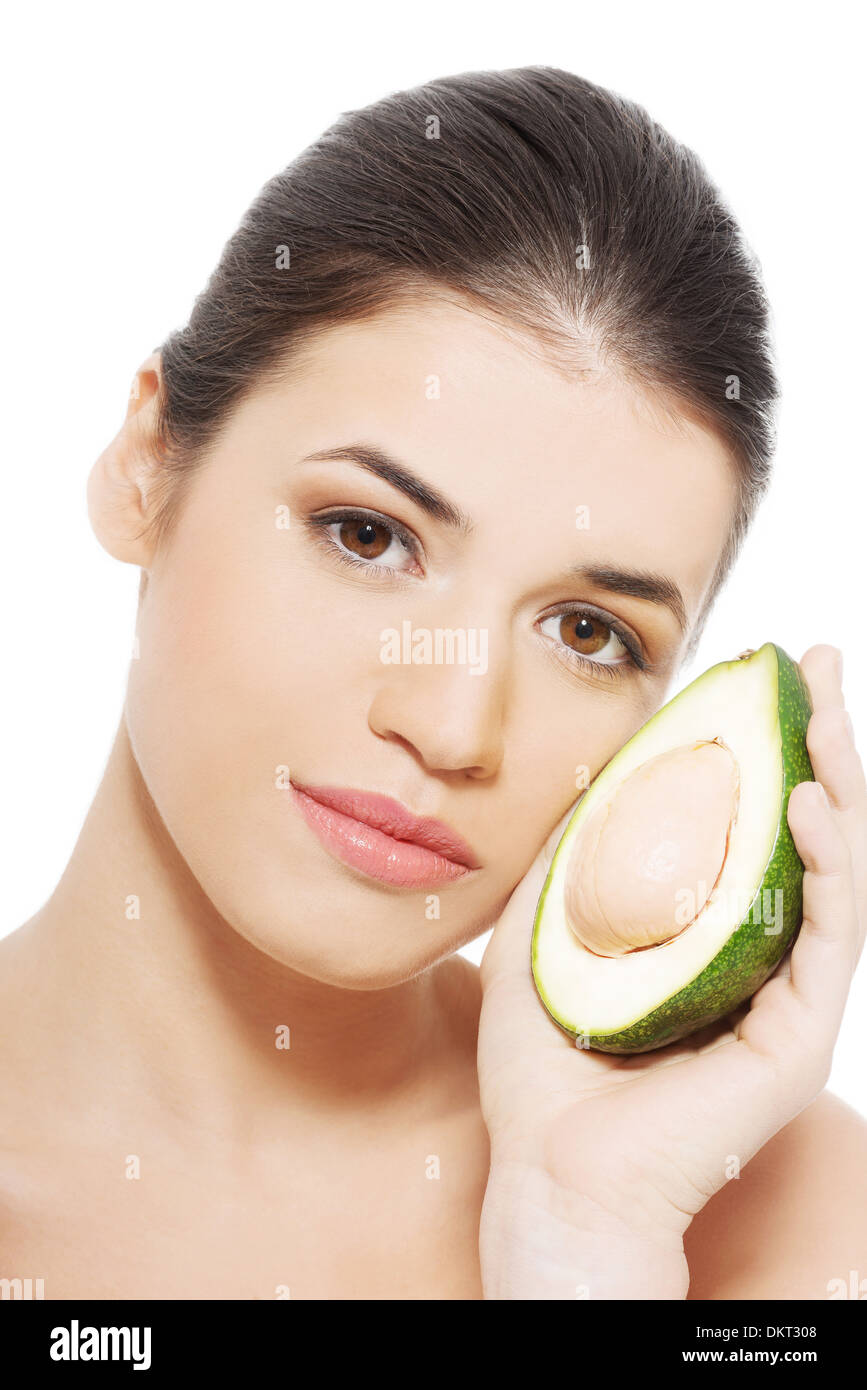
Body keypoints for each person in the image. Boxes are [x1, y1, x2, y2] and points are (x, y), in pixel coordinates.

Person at [1, 66, 864, 1301]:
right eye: (368, 535)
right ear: (146, 464)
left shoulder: (795, 1226)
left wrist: (582, 1247)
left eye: (586, 631)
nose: (453, 722)